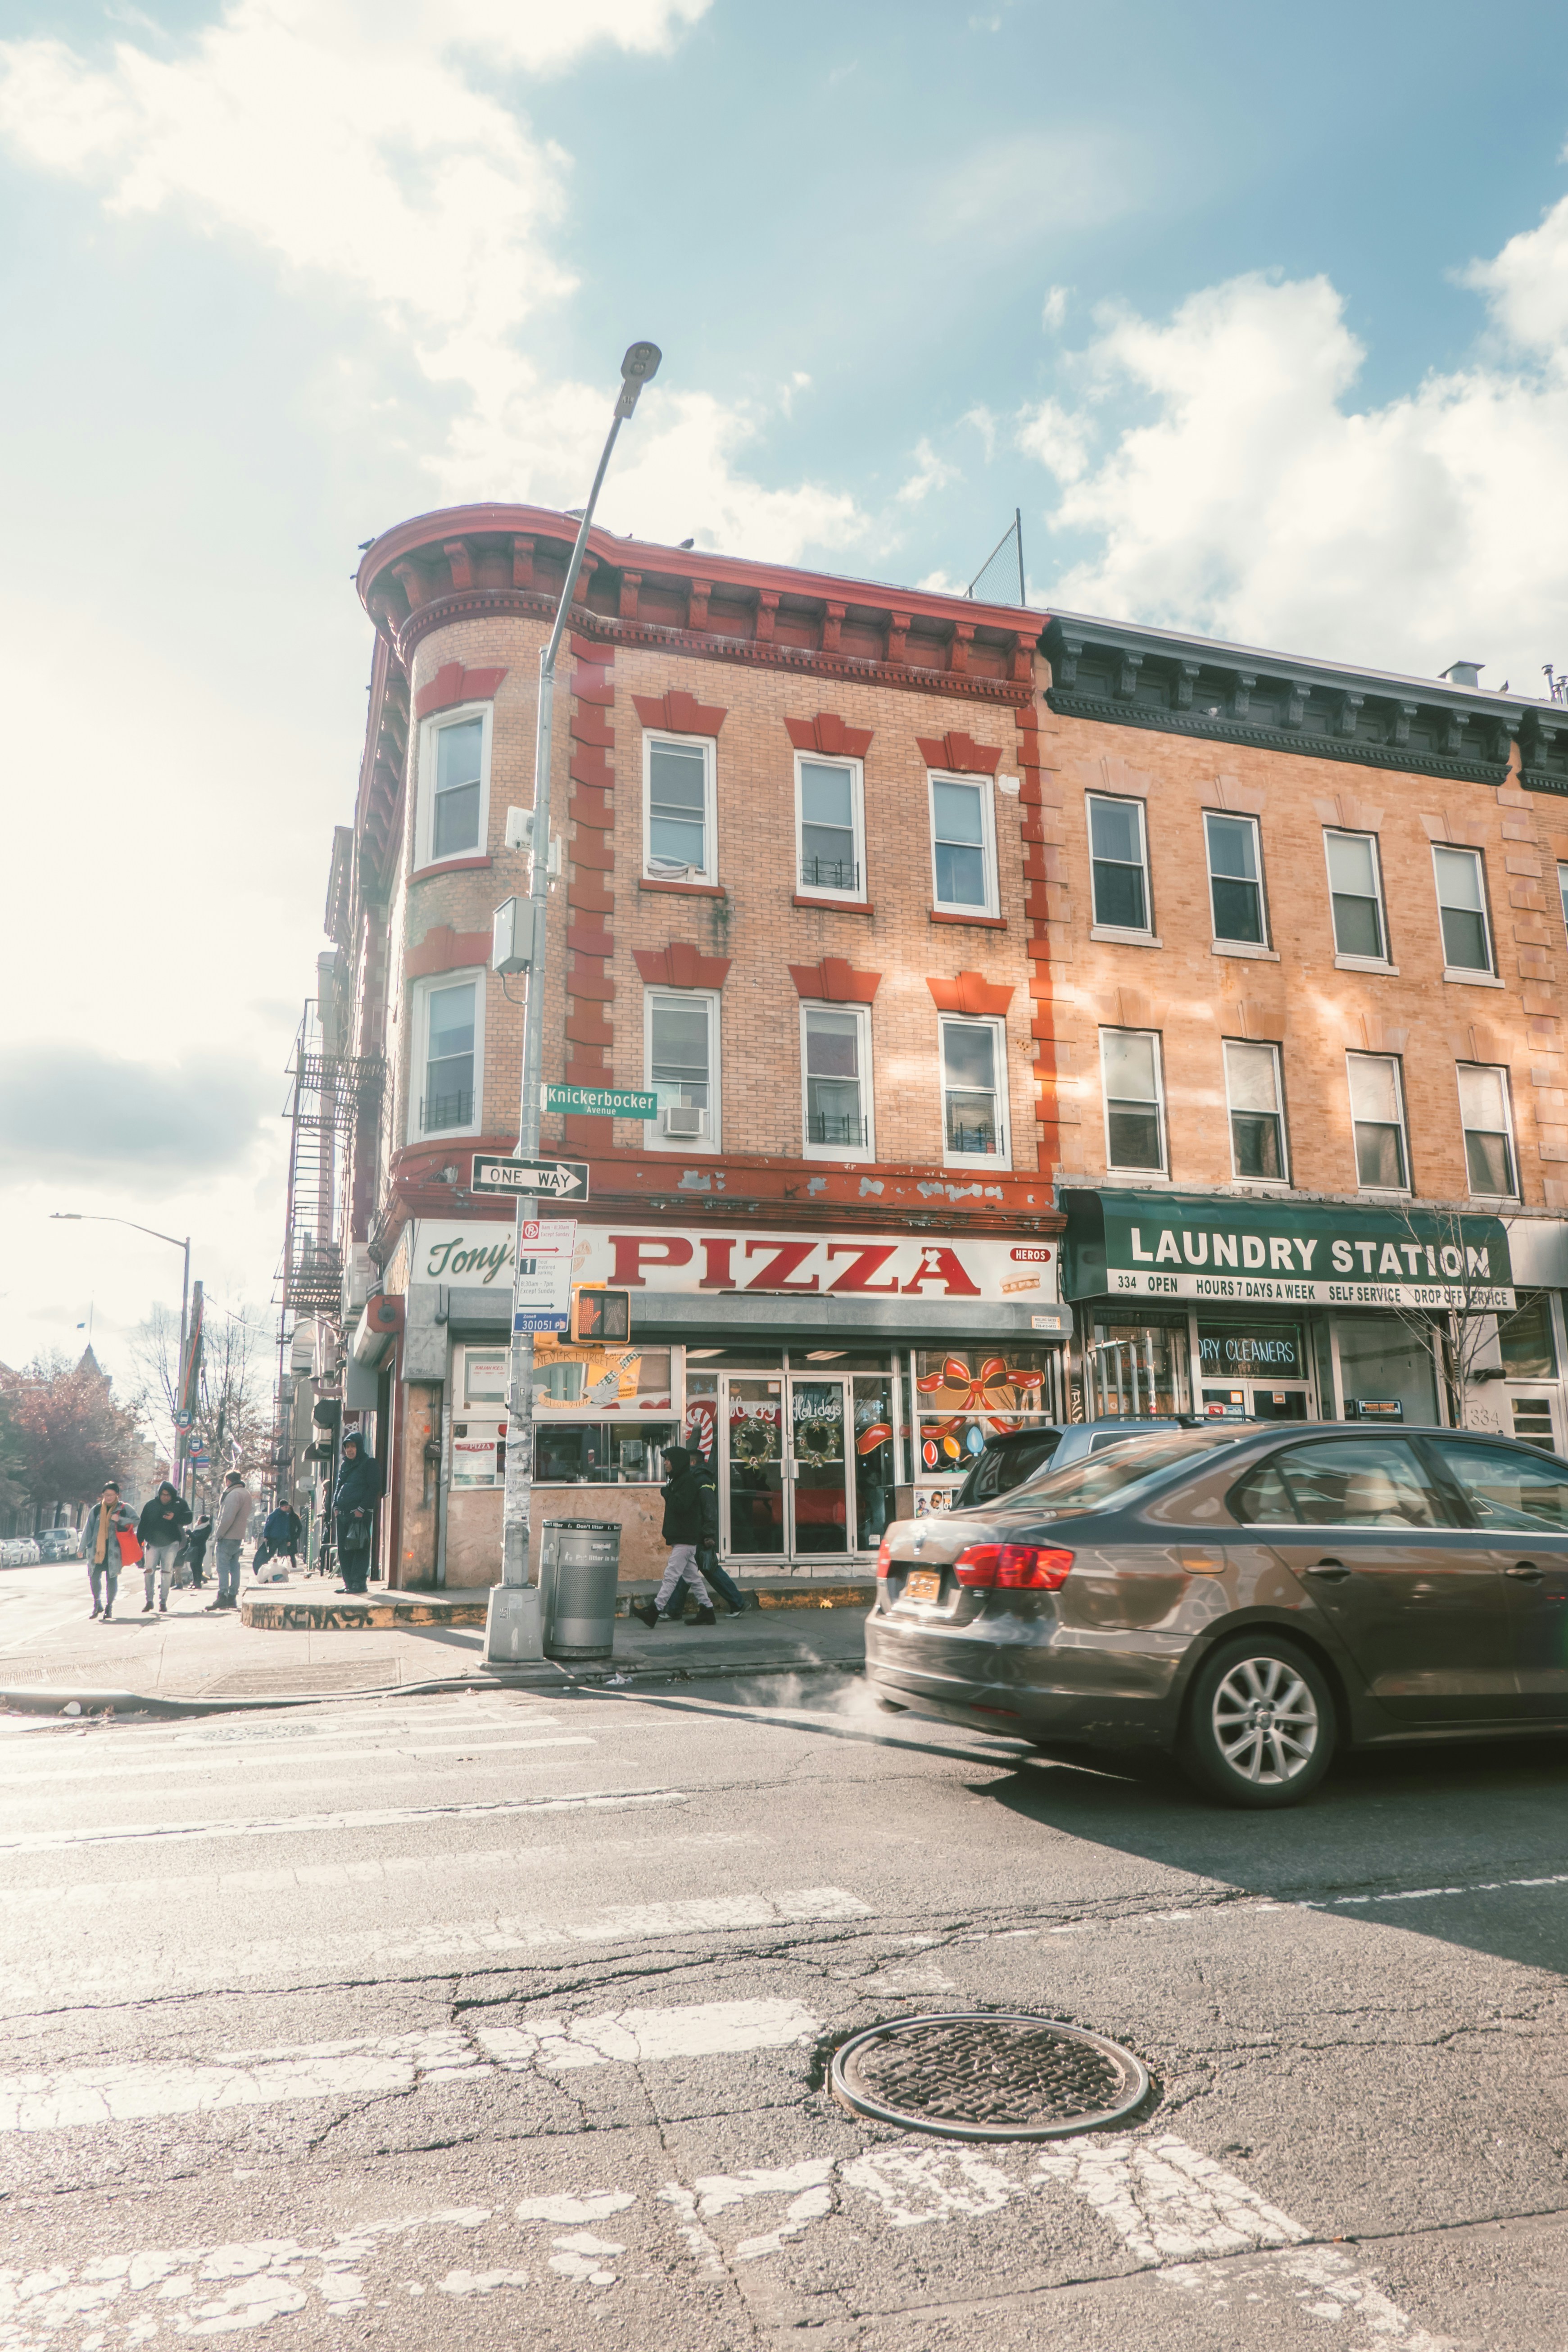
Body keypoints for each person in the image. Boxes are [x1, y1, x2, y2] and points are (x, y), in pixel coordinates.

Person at [630, 1446, 717, 1628]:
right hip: (683, 1537)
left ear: (677, 1462)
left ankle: (654, 1611)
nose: (666, 1463)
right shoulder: (679, 1480)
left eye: (668, 1459)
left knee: (671, 1575)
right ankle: (707, 1611)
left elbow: (682, 1505)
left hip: (685, 1539)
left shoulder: (687, 1482)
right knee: (692, 1577)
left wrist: (667, 1494)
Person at [692, 1452, 750, 1619]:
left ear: (693, 1462)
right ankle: (672, 1608)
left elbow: (709, 1510)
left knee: (710, 1569)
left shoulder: (703, 1481)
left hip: (702, 1535)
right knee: (686, 1572)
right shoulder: (698, 1479)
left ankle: (738, 1602)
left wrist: (708, 1534)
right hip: (697, 1534)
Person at [332, 1434, 382, 1594]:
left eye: (353, 1447)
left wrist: (361, 1509)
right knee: (344, 1550)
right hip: (343, 1514)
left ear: (359, 1447)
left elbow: (374, 1488)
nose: (350, 1450)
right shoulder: (345, 1465)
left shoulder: (369, 1463)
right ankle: (348, 1583)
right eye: (347, 1447)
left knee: (359, 1548)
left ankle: (359, 1584)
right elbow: (338, 1487)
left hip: (359, 1515)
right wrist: (335, 1506)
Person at [82, 1481, 135, 1622]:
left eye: (112, 1495)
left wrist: (121, 1519)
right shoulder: (96, 1510)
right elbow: (89, 1529)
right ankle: (97, 1603)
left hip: (114, 1550)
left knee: (112, 1578)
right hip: (96, 1550)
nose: (109, 1498)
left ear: (117, 1495)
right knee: (94, 1576)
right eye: (106, 1495)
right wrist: (82, 1548)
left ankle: (109, 1607)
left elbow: (137, 1520)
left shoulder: (124, 1508)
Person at [136, 1481, 192, 1613]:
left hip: (171, 1542)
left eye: (168, 1495)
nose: (166, 1497)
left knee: (166, 1572)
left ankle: (163, 1602)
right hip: (153, 1543)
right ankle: (149, 1600)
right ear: (159, 1494)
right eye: (163, 1495)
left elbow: (188, 1518)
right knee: (149, 1571)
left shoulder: (180, 1504)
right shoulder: (151, 1506)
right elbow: (143, 1524)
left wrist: (175, 1517)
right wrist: (139, 1543)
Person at [207, 1472, 249, 1612]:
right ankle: (232, 1596)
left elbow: (227, 1517)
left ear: (229, 1481)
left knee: (223, 1568)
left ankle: (223, 1596)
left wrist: (219, 1534)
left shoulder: (233, 1495)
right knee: (235, 1567)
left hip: (228, 1536)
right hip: (238, 1536)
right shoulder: (245, 1493)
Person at [178, 1511, 213, 1589]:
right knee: (193, 1565)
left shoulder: (206, 1529)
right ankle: (194, 1582)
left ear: (203, 1522)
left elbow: (198, 1539)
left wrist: (190, 1533)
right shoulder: (199, 1528)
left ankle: (198, 1583)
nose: (198, 1522)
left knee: (198, 1565)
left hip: (199, 1549)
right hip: (194, 1548)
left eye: (200, 1521)